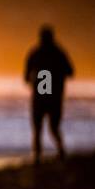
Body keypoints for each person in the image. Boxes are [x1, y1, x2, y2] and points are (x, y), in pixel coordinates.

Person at [24, 25, 74, 165]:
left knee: (38, 128)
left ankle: (38, 157)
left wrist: (38, 81)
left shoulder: (36, 53)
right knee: (53, 127)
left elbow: (26, 77)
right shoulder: (58, 53)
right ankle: (59, 151)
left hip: (40, 96)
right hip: (54, 96)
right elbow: (70, 72)